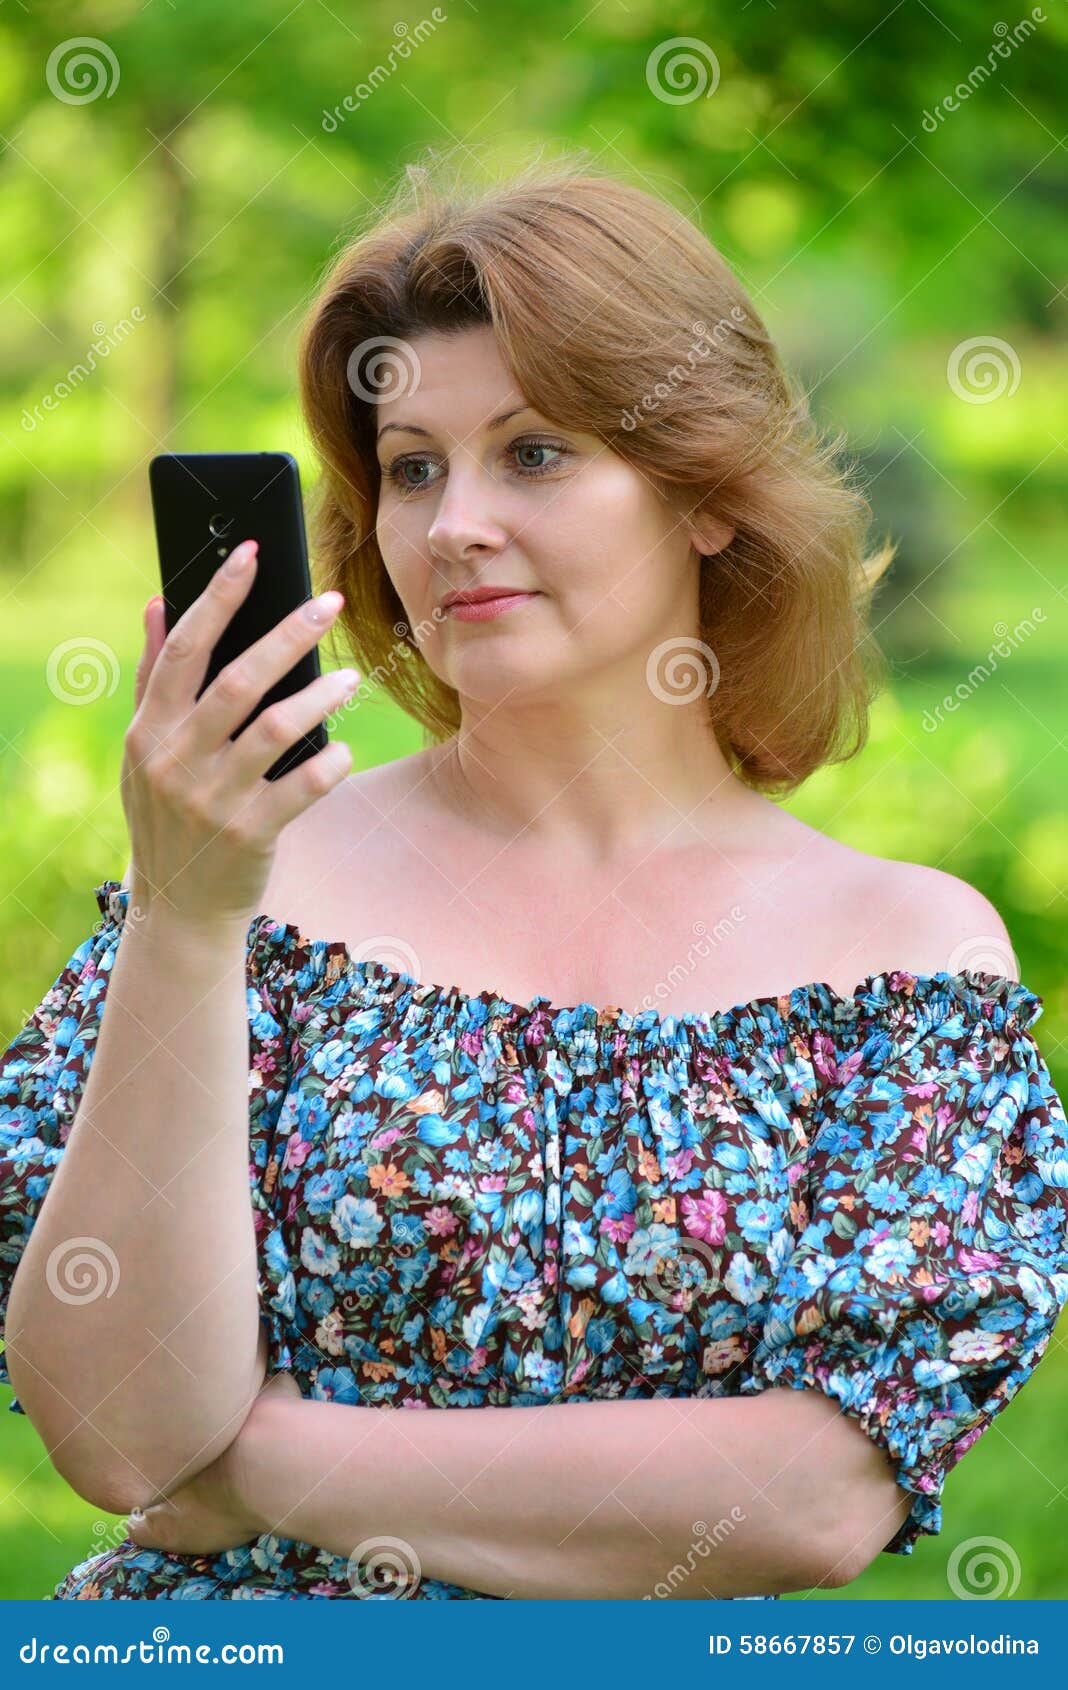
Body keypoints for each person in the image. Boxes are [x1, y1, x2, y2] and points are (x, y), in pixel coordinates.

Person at [2, 154, 1067, 1602]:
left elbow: (823, 1490)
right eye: (413, 465)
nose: (452, 528)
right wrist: (187, 919)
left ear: (706, 496)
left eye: (536, 453)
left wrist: (245, 1467)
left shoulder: (905, 957)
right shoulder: (249, 890)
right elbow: (120, 1432)